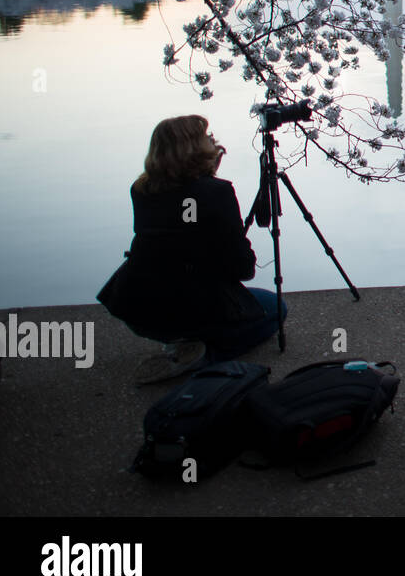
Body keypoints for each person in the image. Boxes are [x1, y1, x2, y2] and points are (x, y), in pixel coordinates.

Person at [98, 115, 286, 383]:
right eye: (206, 137)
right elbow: (243, 269)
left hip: (139, 308)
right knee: (276, 308)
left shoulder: (140, 190)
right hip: (191, 306)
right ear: (194, 149)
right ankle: (203, 357)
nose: (212, 141)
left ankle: (181, 344)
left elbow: (180, 221)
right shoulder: (217, 192)